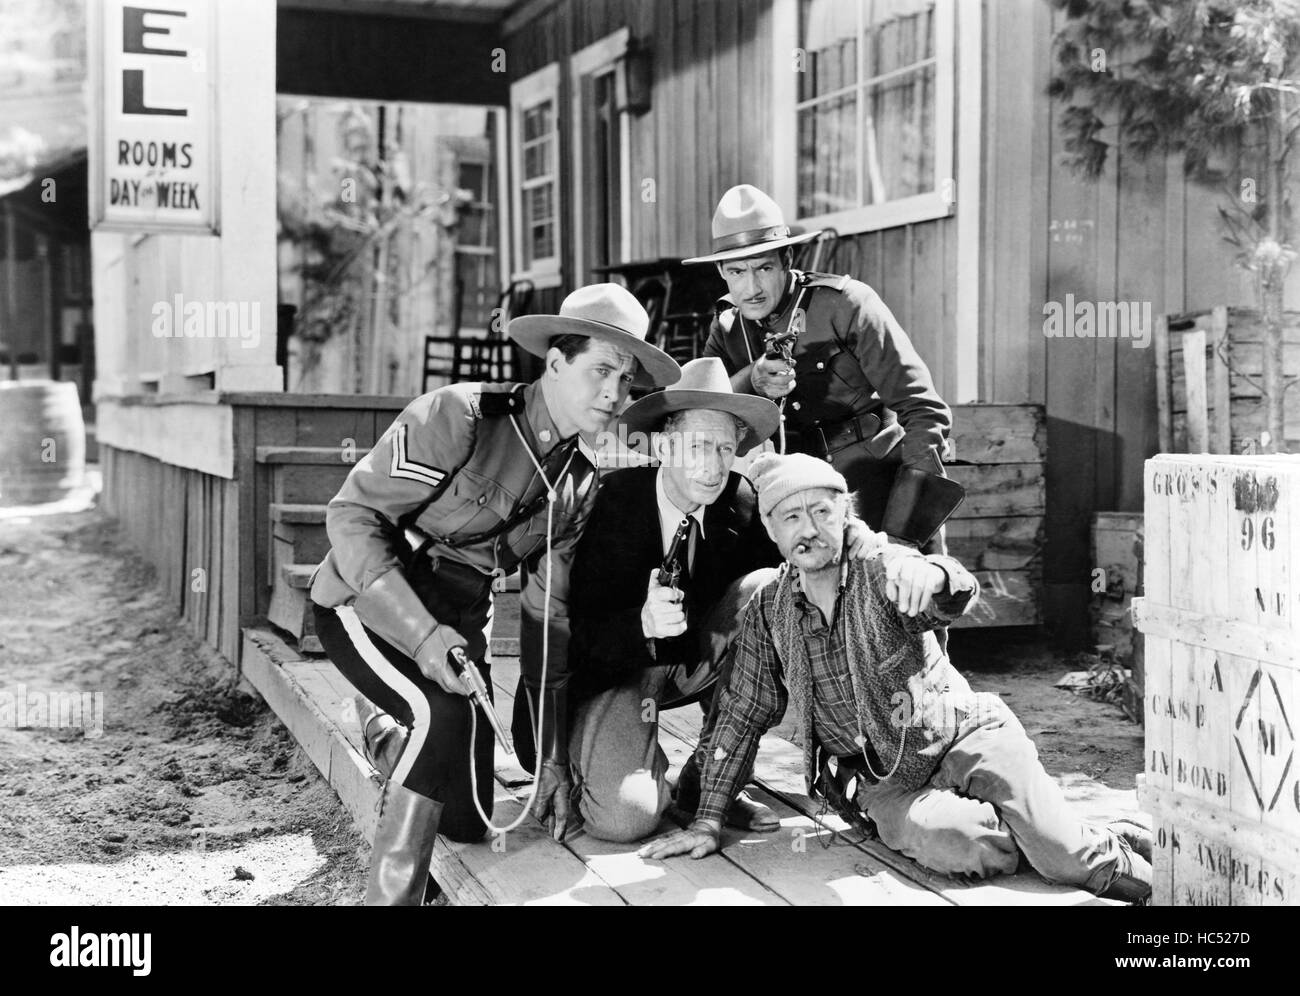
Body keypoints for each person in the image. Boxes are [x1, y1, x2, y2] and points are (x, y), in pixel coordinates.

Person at [638, 453, 1152, 904]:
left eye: (822, 512)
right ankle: (1041, 830)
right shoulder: (769, 609)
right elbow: (741, 714)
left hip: (967, 737)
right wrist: (708, 819)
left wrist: (937, 575)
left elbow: (947, 589)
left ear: (845, 514)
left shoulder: (882, 568)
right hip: (884, 782)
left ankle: (1098, 852)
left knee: (1068, 860)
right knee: (958, 845)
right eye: (791, 517)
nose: (808, 529)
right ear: (772, 531)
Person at [309, 284, 679, 905]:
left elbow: (546, 614)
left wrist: (551, 756)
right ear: (554, 363)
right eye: (601, 370)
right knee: (442, 714)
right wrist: (424, 638)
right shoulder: (461, 417)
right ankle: (390, 899)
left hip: (461, 624)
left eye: (626, 378)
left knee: (470, 820)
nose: (615, 393)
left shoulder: (579, 482)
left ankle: (384, 734)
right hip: (367, 605)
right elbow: (351, 517)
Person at [565, 358, 882, 842]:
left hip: (695, 661)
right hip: (617, 672)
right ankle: (617, 767)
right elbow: (566, 636)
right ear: (664, 446)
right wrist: (640, 625)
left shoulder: (741, 500)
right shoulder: (607, 505)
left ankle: (710, 779)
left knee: (767, 588)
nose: (713, 467)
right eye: (698, 446)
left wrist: (849, 534)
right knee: (625, 821)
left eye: (725, 449)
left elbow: (803, 537)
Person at [688, 184, 959, 554]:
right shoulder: (728, 327)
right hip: (790, 493)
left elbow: (925, 411)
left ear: (787, 258)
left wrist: (905, 530)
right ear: (720, 270)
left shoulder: (846, 304)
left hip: (873, 482)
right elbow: (702, 414)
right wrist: (751, 379)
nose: (751, 287)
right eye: (736, 271)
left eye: (764, 267)